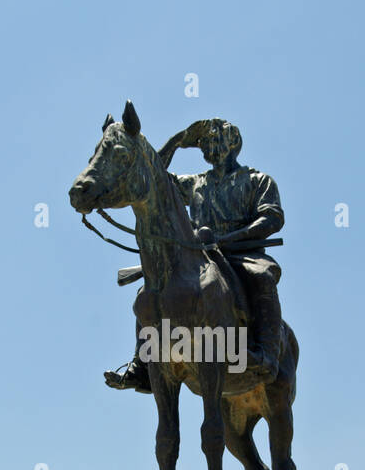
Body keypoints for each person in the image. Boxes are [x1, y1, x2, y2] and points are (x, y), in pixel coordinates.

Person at [104, 118, 285, 392]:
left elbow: (271, 218)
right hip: (201, 257)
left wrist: (230, 237)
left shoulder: (257, 181)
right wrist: (177, 140)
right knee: (151, 288)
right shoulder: (196, 183)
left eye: (214, 140)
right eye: (203, 143)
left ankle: (266, 354)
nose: (207, 146)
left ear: (233, 143)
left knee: (261, 278)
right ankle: (142, 365)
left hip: (242, 253)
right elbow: (154, 175)